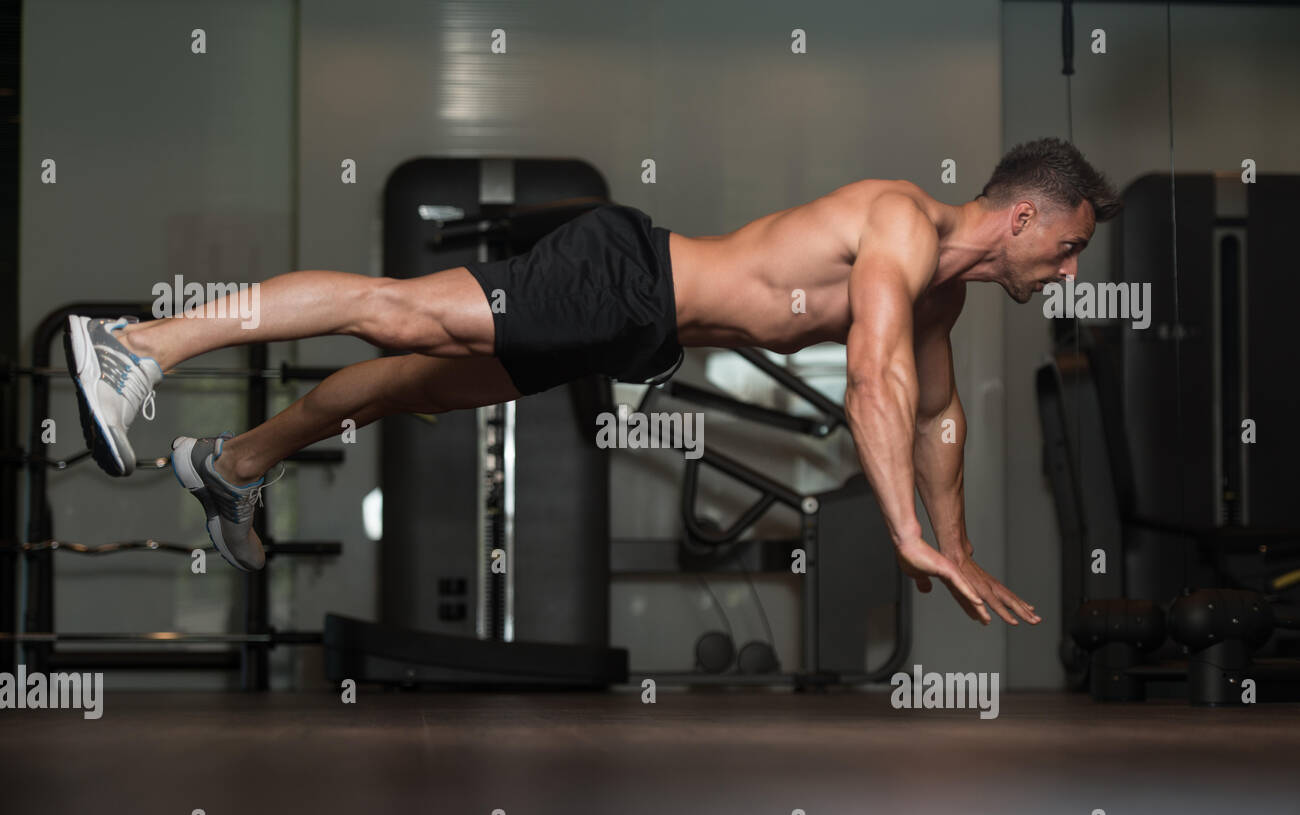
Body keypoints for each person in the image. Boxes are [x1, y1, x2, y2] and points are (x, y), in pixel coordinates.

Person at [65, 136, 1118, 626]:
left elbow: (936, 418)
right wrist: (905, 537)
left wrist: (960, 547)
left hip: (634, 332)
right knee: (402, 309)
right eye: (1068, 247)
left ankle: (233, 463)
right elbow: (875, 383)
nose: (1068, 273)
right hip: (625, 277)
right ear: (1021, 216)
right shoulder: (899, 221)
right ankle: (143, 347)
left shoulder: (948, 296)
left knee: (405, 386)